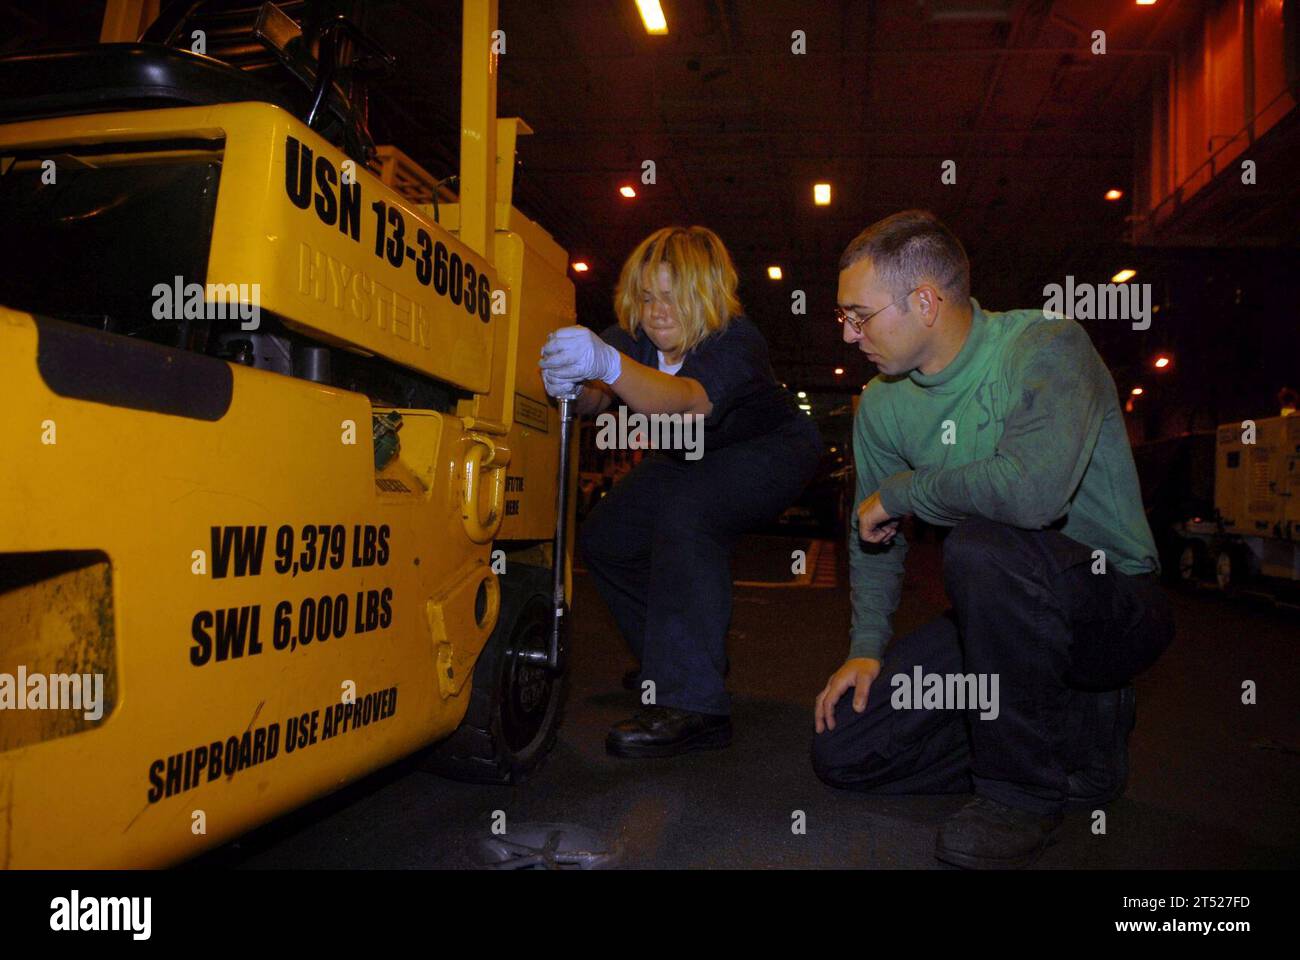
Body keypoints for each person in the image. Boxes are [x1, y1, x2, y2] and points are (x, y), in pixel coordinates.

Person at [811, 210, 1175, 869]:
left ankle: (1020, 799)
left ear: (925, 301)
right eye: (842, 316)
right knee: (848, 752)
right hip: (1003, 609)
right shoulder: (882, 404)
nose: (847, 333)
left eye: (859, 315)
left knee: (981, 546)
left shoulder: (1047, 347)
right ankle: (1054, 739)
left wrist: (903, 492)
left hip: (1112, 603)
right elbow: (873, 534)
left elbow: (1031, 495)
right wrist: (866, 649)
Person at [539, 226, 821, 758]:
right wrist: (572, 385)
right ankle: (676, 660)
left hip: (771, 450)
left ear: (705, 296)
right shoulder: (633, 338)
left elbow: (683, 402)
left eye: (673, 296)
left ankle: (695, 705)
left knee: (688, 511)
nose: (656, 311)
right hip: (693, 455)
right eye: (647, 296)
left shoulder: (735, 339)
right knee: (607, 539)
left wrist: (608, 366)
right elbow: (602, 398)